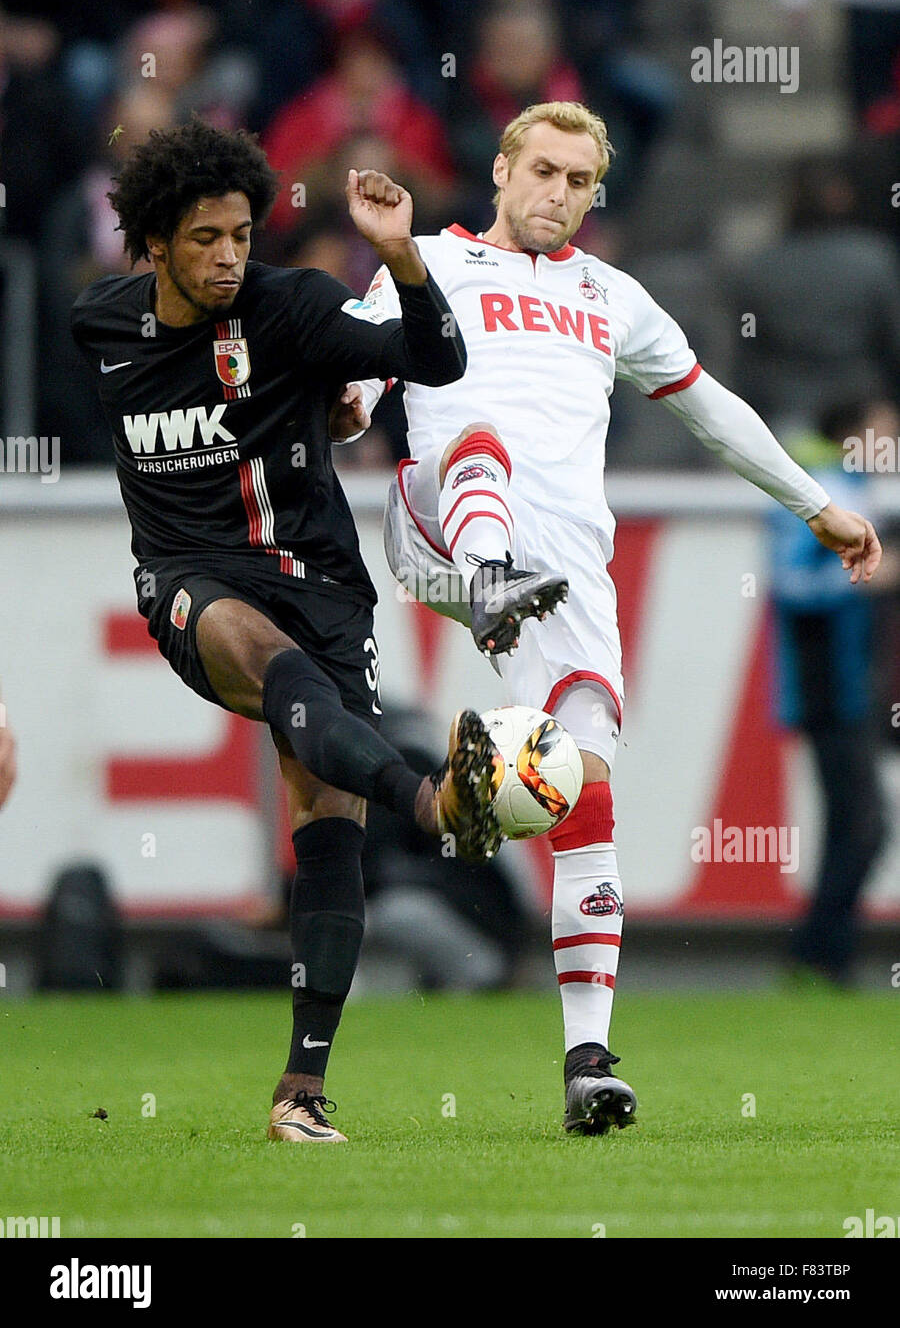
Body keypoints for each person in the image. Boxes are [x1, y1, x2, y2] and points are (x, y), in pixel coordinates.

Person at [336, 100, 883, 1135]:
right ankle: (493, 584)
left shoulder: (611, 297)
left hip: (565, 577)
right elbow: (355, 382)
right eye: (540, 170)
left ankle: (588, 1059)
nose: (557, 194)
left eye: (579, 181)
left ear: (596, 192)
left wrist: (816, 505)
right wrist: (342, 409)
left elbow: (710, 406)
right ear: (501, 169)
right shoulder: (429, 265)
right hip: (440, 525)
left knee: (583, 787)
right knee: (481, 442)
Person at [70, 118, 502, 1145]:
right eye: (206, 237)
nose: (227, 255)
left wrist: (399, 258)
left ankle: (300, 1093)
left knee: (325, 835)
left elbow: (436, 360)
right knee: (254, 651)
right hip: (191, 581)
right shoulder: (99, 325)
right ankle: (432, 801)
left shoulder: (294, 307)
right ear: (154, 240)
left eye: (239, 234)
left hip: (320, 587)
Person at [768, 397, 894, 984]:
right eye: (882, 430)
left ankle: (820, 957)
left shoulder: (858, 490)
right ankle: (818, 954)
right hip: (829, 689)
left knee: (855, 823)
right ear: (850, 434)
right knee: (863, 824)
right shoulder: (822, 492)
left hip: (853, 688)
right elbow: (791, 582)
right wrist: (868, 578)